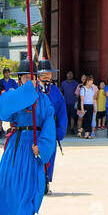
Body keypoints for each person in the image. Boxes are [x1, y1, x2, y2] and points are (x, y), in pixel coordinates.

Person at [0, 76, 56, 215]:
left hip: (34, 143)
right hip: (17, 143)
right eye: (25, 77)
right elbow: (4, 112)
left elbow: (49, 123)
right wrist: (25, 92)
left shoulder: (43, 100)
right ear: (20, 79)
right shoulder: (13, 94)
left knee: (35, 181)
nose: (29, 80)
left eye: (32, 77)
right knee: (13, 181)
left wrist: (43, 146)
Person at [36, 61, 67, 193]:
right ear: (38, 76)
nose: (46, 77)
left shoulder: (55, 91)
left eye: (48, 74)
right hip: (35, 130)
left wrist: (60, 131)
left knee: (49, 156)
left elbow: (62, 112)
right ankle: (35, 182)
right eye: (43, 74)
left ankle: (46, 182)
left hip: (50, 130)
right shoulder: (32, 89)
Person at [59, 70, 79, 136]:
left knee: (72, 116)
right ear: (66, 75)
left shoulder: (76, 83)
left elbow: (78, 92)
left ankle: (72, 128)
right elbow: (60, 91)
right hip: (65, 102)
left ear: (73, 75)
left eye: (71, 74)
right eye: (68, 74)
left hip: (73, 102)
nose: (70, 75)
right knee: (65, 116)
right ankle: (64, 129)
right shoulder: (63, 83)